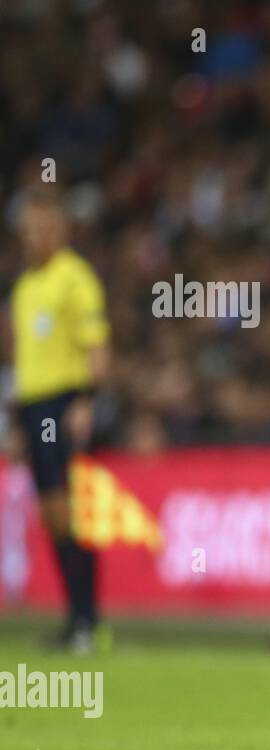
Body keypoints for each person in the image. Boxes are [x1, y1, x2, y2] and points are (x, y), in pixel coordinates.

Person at [5, 191, 111, 653]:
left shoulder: (75, 279)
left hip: (64, 402)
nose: (34, 239)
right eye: (27, 232)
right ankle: (77, 621)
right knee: (53, 515)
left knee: (68, 510)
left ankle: (88, 621)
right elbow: (23, 355)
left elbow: (98, 346)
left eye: (42, 229)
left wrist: (87, 399)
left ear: (61, 231)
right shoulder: (26, 286)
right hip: (33, 405)